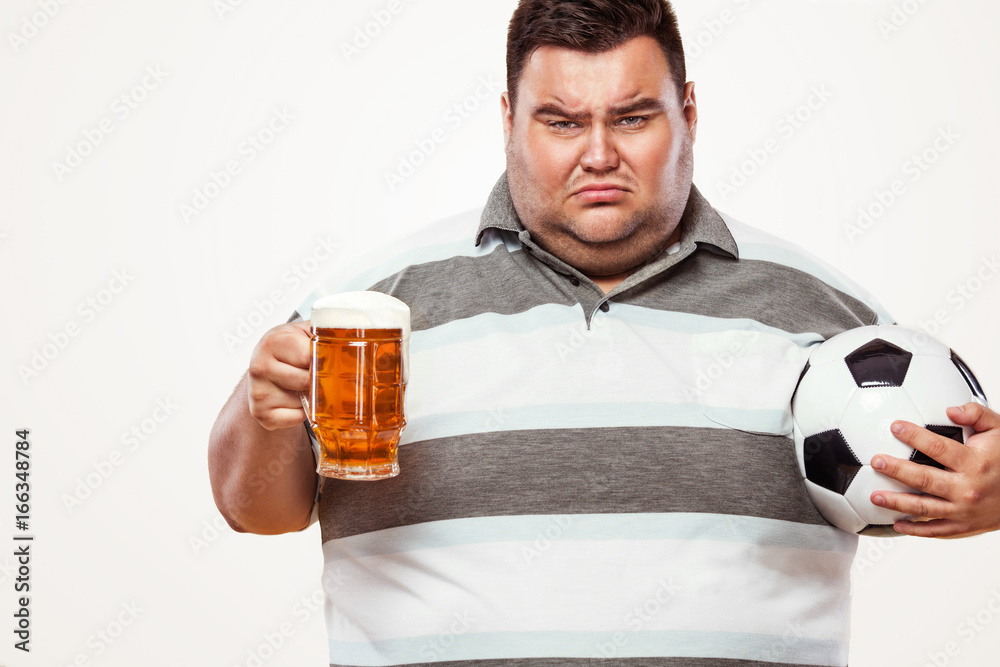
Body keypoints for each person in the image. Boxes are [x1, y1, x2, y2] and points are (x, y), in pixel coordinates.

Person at [208, 1, 1000, 665]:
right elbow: (256, 509)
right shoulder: (370, 308)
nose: (598, 154)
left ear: (687, 113)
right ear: (509, 119)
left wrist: (992, 492)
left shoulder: (830, 319)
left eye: (632, 117)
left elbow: (939, 479)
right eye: (560, 120)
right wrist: (261, 409)